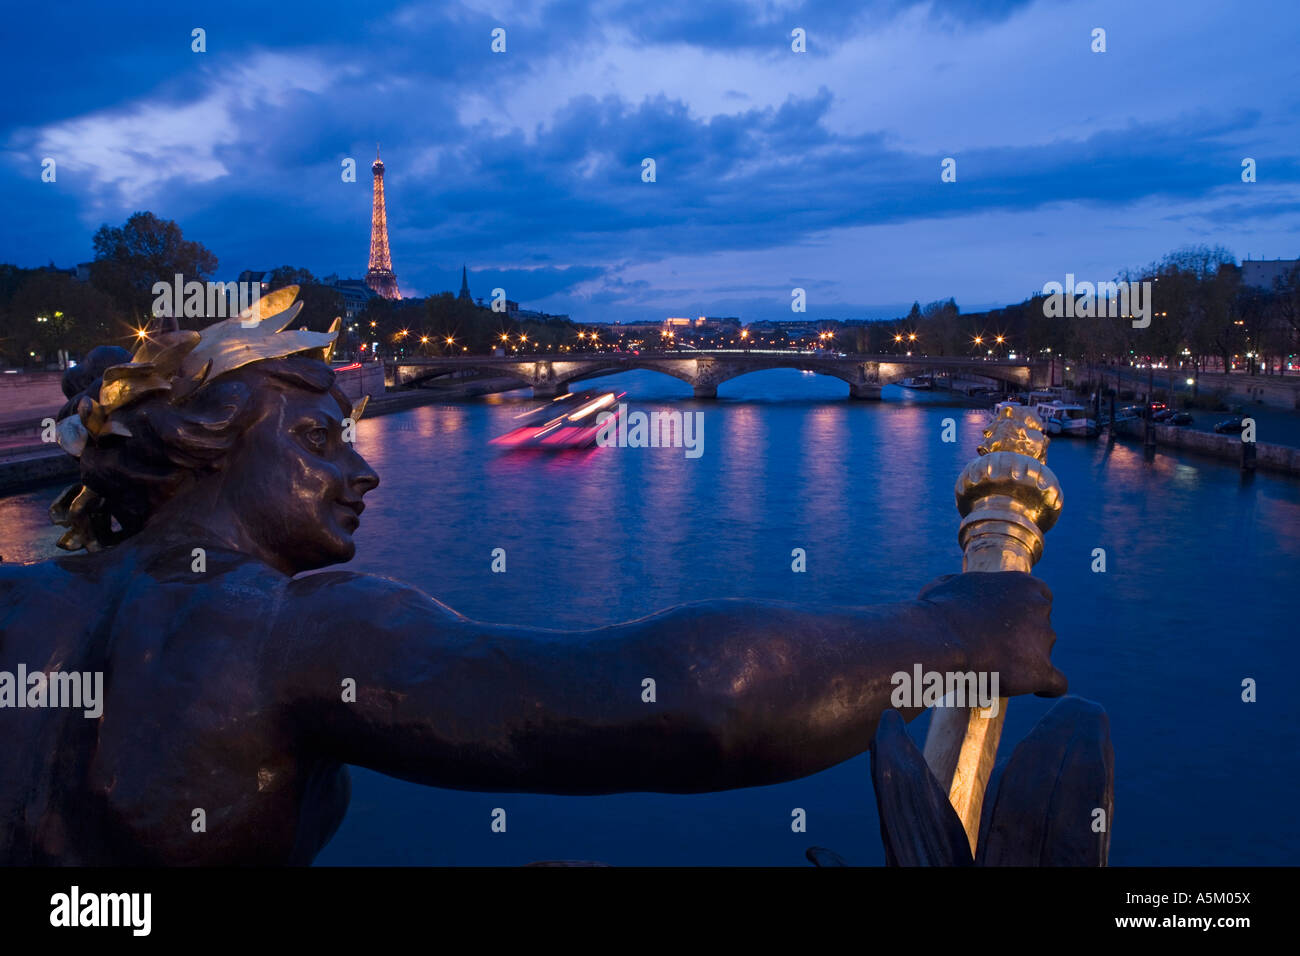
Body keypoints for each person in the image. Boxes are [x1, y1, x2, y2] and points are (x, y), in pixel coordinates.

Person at [0, 290, 1065, 865]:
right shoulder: (283, 631)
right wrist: (959, 635)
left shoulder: (22, 607)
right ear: (211, 444)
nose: (360, 469)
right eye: (321, 438)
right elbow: (688, 698)